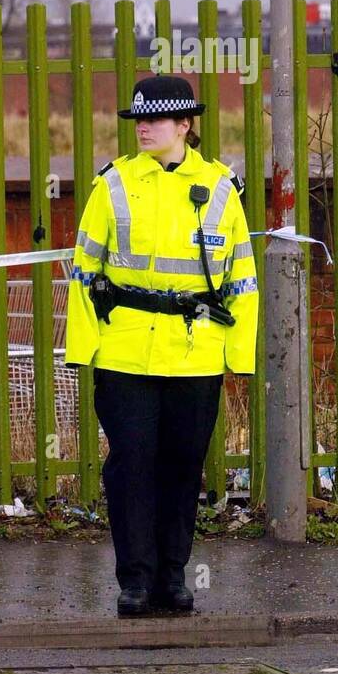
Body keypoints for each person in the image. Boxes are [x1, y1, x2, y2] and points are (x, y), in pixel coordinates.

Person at [64, 74, 259, 617]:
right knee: (132, 463)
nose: (143, 128)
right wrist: (84, 349)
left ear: (185, 126)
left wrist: (238, 356)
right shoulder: (114, 185)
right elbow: (83, 272)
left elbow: (241, 279)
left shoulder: (221, 188)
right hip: (124, 351)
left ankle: (173, 577)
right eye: (138, 120)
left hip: (196, 353)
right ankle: (135, 580)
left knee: (182, 465)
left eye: (154, 120)